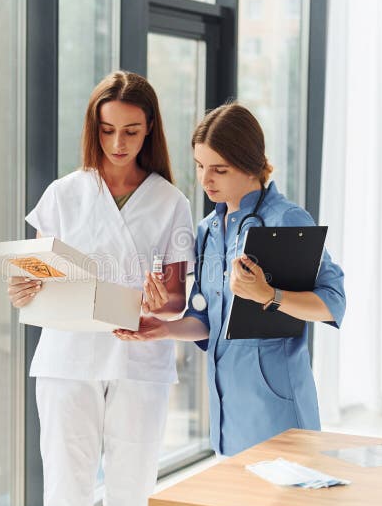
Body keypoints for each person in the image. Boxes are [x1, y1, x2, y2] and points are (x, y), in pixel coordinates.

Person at [7, 71, 194, 506]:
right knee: (66, 491)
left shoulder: (171, 202)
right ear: (94, 129)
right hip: (68, 358)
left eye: (130, 131)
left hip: (138, 361)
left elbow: (176, 299)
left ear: (149, 127)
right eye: (107, 131)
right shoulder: (64, 194)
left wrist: (157, 302)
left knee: (132, 493)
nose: (118, 143)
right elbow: (37, 280)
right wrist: (23, 289)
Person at [115, 103, 346, 456]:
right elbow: (207, 319)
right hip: (225, 412)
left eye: (219, 170)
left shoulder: (286, 219)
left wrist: (269, 294)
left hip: (276, 410)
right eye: (200, 167)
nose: (205, 180)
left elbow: (333, 302)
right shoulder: (208, 230)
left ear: (250, 163)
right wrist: (162, 329)